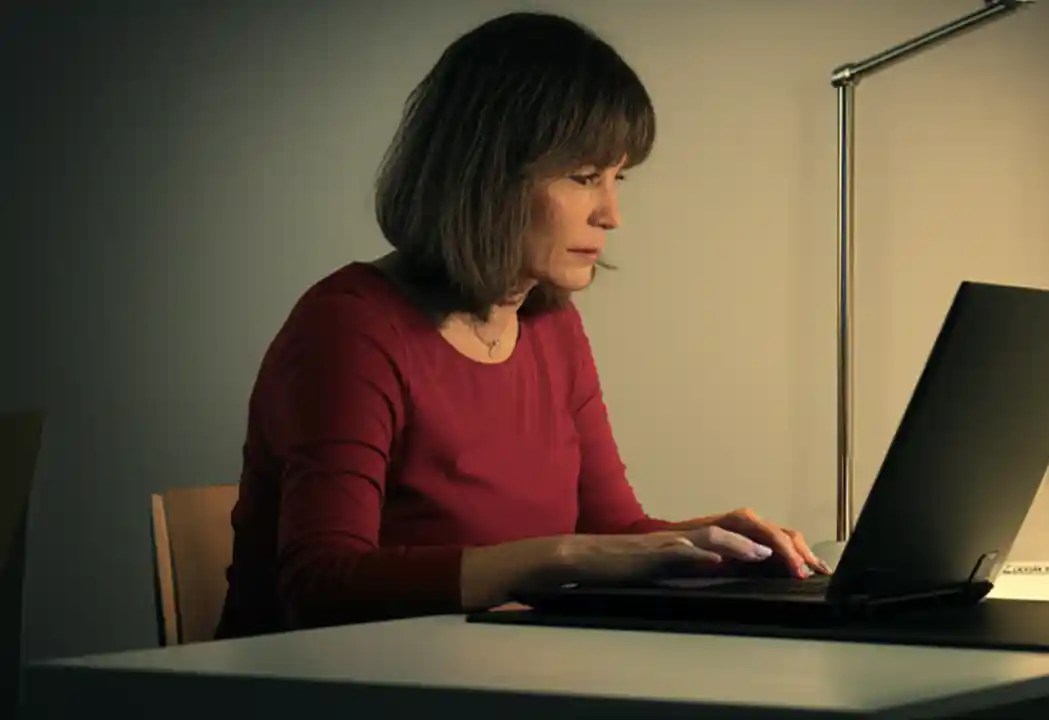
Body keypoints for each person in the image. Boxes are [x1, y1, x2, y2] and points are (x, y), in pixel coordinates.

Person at [215, 10, 828, 640]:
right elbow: (320, 587)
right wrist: (558, 557)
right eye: (585, 178)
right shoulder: (350, 329)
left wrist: (711, 543)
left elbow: (612, 532)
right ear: (487, 176)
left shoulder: (552, 327)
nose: (612, 213)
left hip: (486, 668)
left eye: (617, 178)